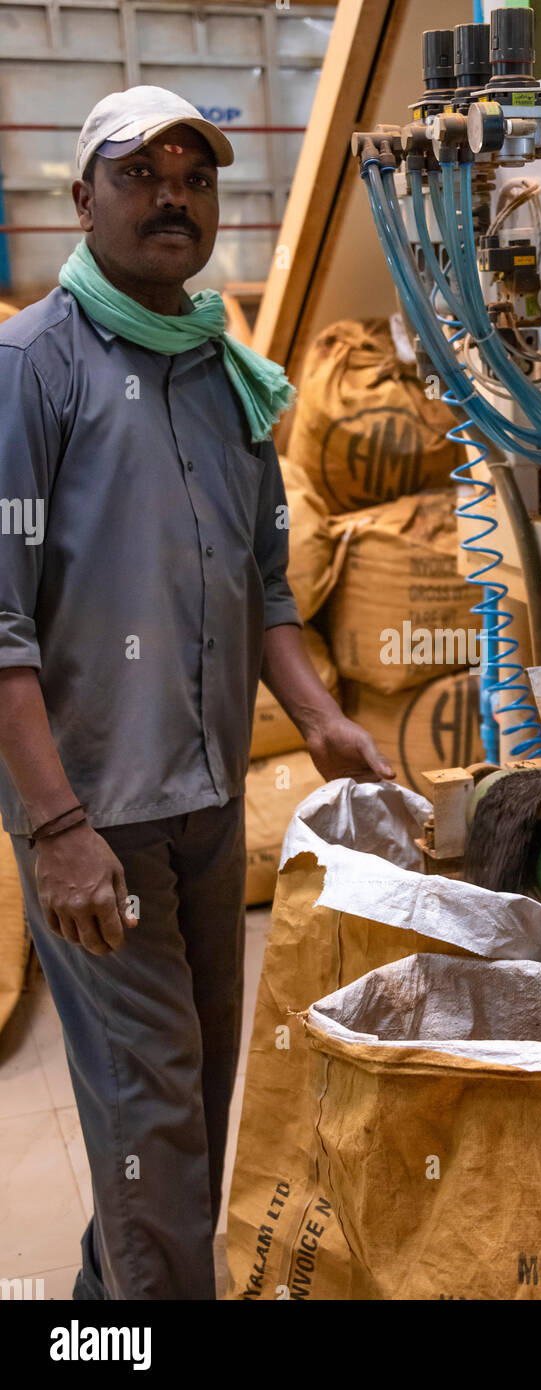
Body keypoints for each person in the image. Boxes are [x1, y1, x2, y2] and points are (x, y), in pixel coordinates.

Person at [0, 85, 393, 1300]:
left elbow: (268, 593)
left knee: (191, 1093)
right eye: (141, 172)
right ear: (83, 199)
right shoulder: (31, 368)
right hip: (96, 811)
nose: (173, 193)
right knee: (157, 1098)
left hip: (210, 802)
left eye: (195, 174)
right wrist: (57, 830)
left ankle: (95, 1317)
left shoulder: (227, 377)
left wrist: (323, 719)